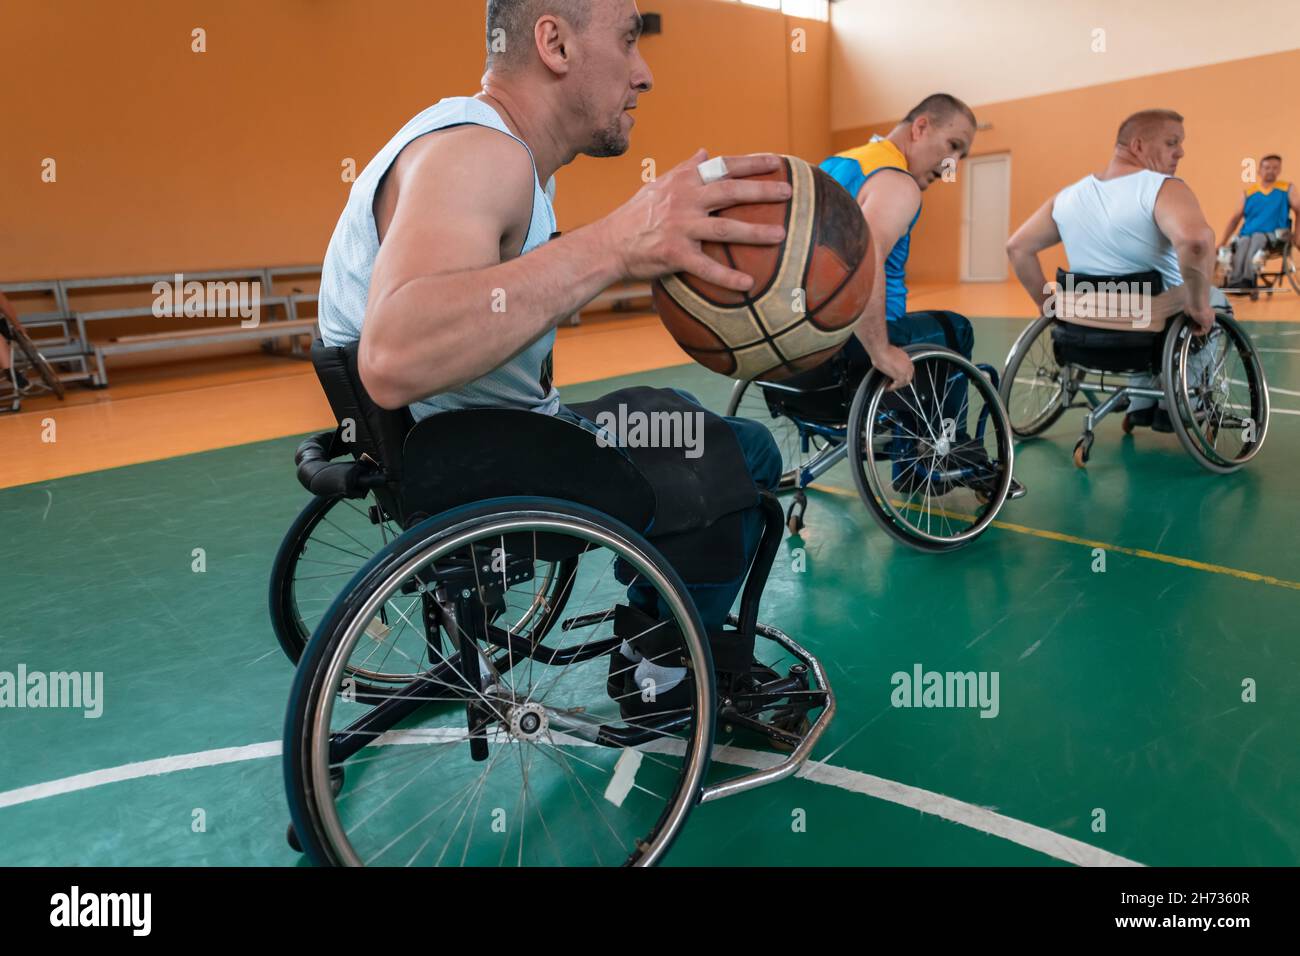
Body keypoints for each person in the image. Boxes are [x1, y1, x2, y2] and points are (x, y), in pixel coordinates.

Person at [316, 0, 792, 704]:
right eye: (629, 42)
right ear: (555, 44)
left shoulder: (488, 151)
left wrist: (619, 256)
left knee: (679, 415)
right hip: (490, 463)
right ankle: (658, 673)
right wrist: (615, 243)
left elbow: (493, 295)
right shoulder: (481, 155)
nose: (645, 73)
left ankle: (656, 626)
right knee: (744, 451)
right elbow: (394, 357)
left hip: (460, 444)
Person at [1005, 108, 1221, 430]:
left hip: (1080, 334)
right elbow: (1196, 243)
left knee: (1139, 306)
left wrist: (1047, 304)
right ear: (1137, 145)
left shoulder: (1067, 197)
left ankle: (1140, 402)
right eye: (1172, 142)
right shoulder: (1163, 188)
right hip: (1148, 329)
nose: (1181, 152)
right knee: (1211, 298)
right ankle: (1180, 395)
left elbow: (1017, 248)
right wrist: (1199, 304)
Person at [1219, 154, 1300, 297]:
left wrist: (1297, 235)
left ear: (1279, 170)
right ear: (1259, 171)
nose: (1271, 171)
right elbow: (1234, 220)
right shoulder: (1249, 193)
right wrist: (1222, 243)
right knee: (1243, 241)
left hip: (1275, 235)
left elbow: (1299, 210)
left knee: (1257, 238)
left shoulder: (1286, 188)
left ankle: (1248, 279)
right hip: (1248, 234)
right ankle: (1236, 280)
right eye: (1267, 167)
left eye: (1275, 168)